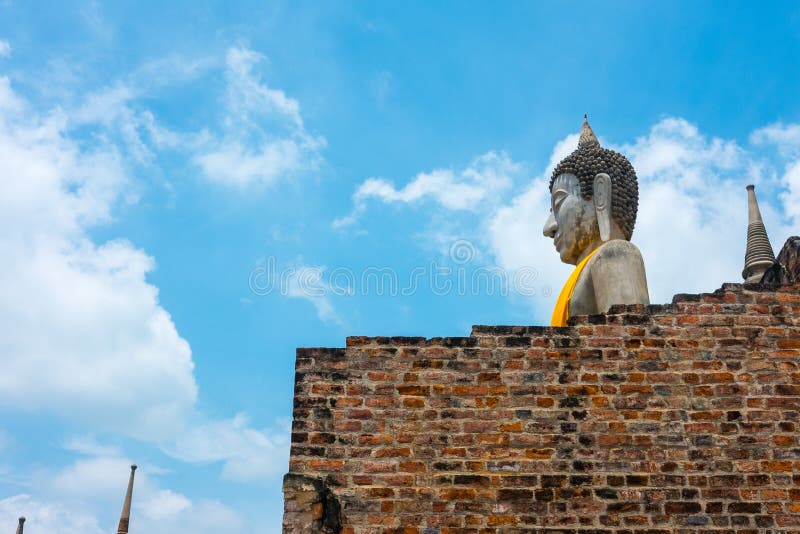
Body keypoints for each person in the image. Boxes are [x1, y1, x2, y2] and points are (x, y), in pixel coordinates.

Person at [543, 116, 649, 326]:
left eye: (559, 203)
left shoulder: (616, 254)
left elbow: (629, 336)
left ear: (600, 195)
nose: (549, 227)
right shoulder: (586, 269)